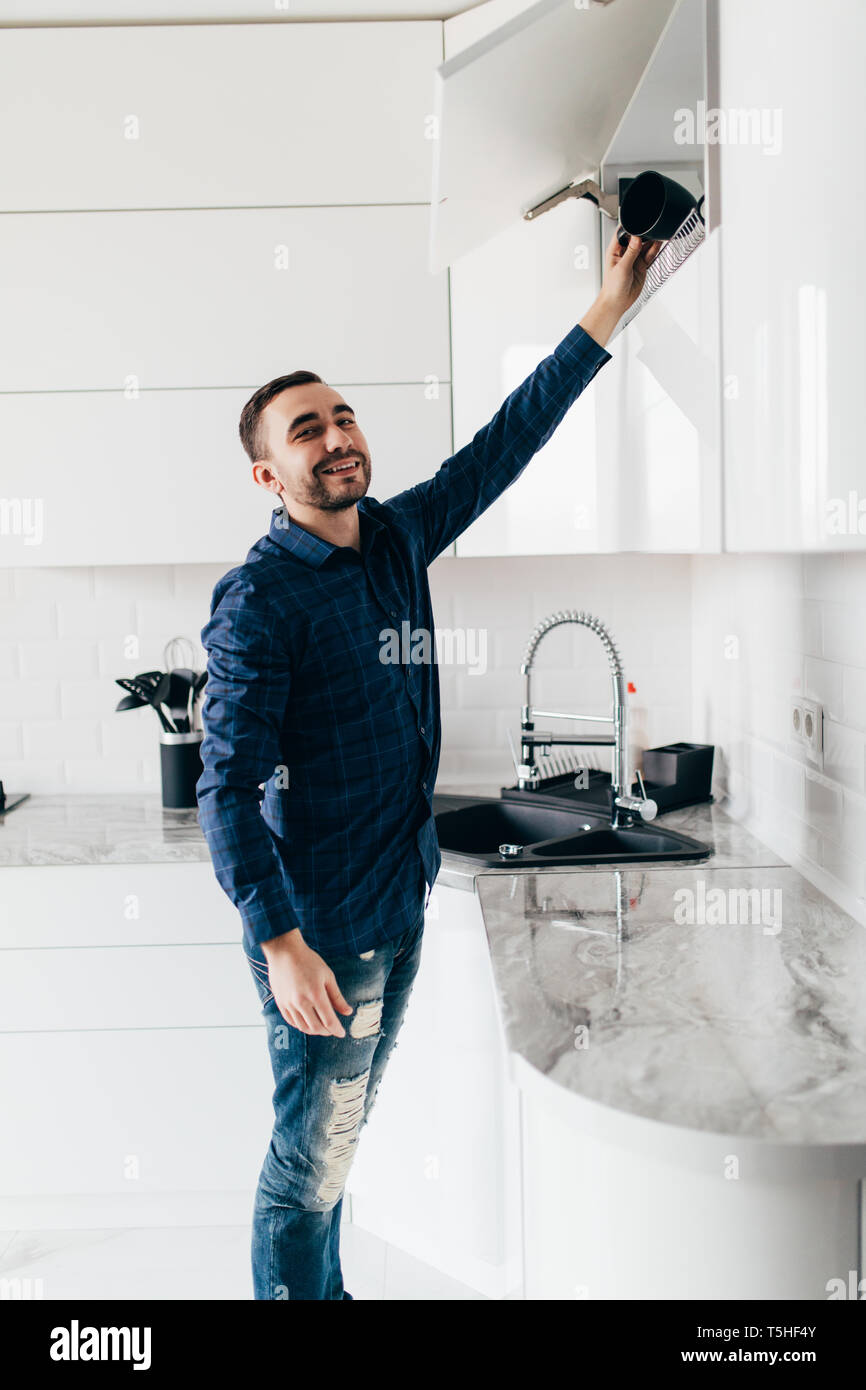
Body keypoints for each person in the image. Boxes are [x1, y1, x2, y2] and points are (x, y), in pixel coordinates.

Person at [196, 232, 662, 1300]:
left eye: (342, 415)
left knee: (336, 1136)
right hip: (322, 924)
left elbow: (505, 443)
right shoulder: (260, 599)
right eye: (304, 431)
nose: (334, 438)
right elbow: (225, 785)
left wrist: (608, 306)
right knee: (309, 1157)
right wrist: (278, 943)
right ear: (270, 473)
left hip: (392, 896)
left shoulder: (396, 537)